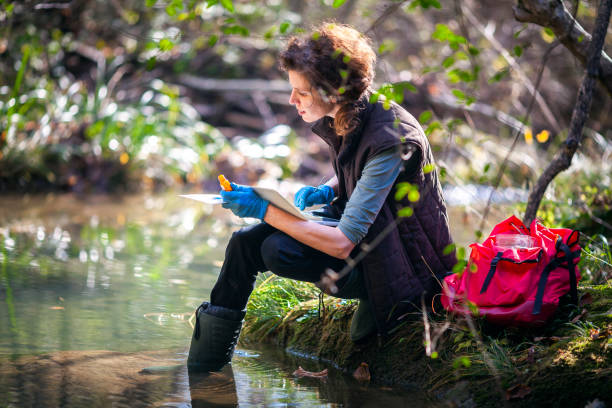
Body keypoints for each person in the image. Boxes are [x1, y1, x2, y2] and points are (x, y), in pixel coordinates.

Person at [187, 23, 457, 372]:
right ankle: (204, 367)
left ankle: (376, 301)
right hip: (374, 239)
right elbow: (361, 170)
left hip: (402, 265)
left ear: (333, 90)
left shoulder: (393, 139)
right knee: (244, 243)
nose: (291, 100)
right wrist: (328, 188)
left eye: (300, 91)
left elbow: (343, 242)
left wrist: (265, 208)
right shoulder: (354, 110)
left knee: (276, 250)